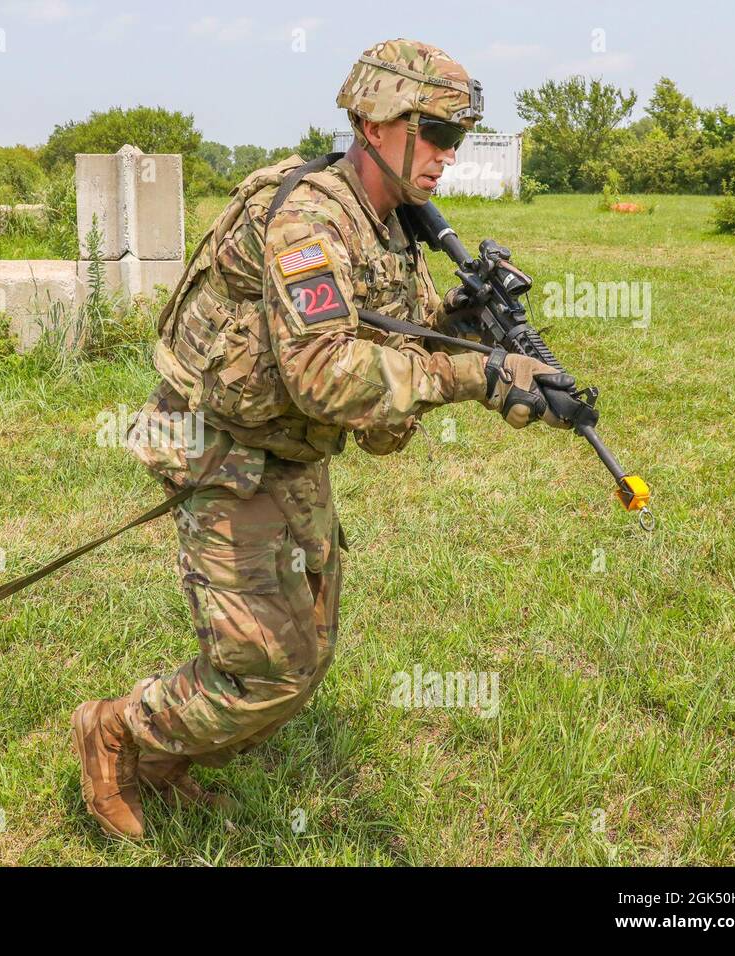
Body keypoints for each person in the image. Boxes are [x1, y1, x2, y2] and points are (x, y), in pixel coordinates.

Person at [72, 39, 573, 841]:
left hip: (290, 448)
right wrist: (473, 378)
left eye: (456, 140)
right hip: (222, 447)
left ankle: (167, 759)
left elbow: (391, 343)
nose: (448, 157)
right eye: (436, 134)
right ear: (376, 124)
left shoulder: (390, 223)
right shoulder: (309, 221)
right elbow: (324, 374)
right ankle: (118, 731)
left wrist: (462, 333)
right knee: (271, 673)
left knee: (306, 654)